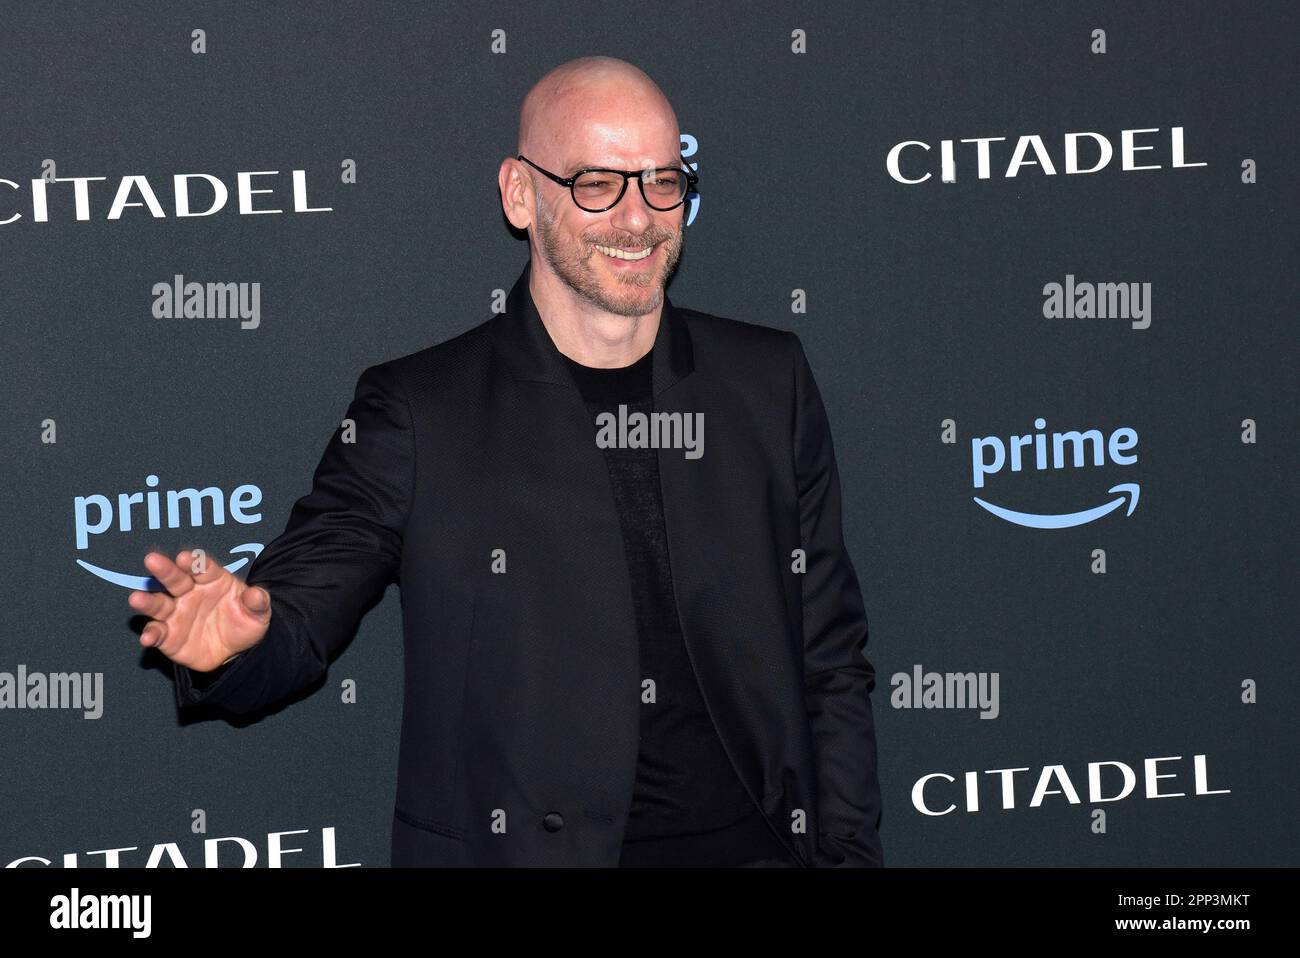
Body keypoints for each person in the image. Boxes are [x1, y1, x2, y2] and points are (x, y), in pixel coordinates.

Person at [129, 56, 883, 868]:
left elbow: (829, 657)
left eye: (663, 181)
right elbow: (304, 607)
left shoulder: (767, 381)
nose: (638, 218)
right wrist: (241, 644)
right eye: (598, 183)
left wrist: (847, 853)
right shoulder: (419, 410)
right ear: (521, 194)